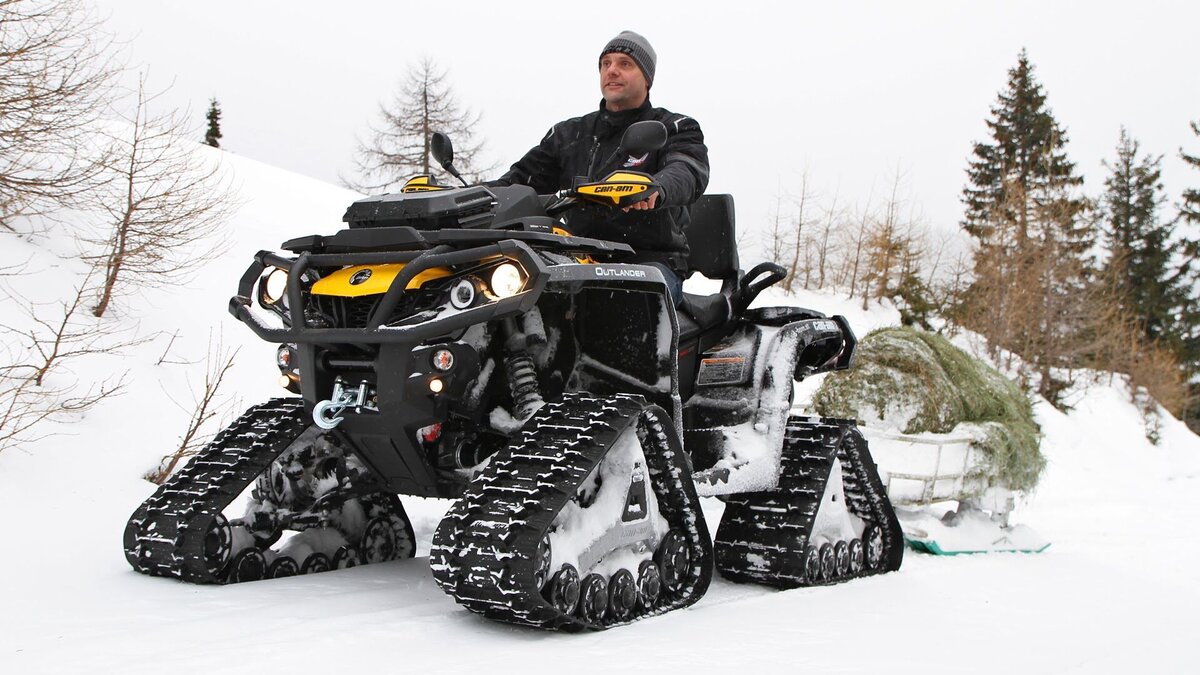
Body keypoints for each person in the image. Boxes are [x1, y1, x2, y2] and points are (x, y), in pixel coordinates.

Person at [488, 30, 709, 306]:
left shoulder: (674, 128)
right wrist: (467, 199)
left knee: (621, 302)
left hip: (648, 261)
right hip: (575, 257)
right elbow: (518, 182)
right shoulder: (570, 134)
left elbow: (686, 170)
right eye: (606, 64)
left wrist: (656, 188)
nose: (612, 71)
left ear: (647, 78)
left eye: (624, 64)